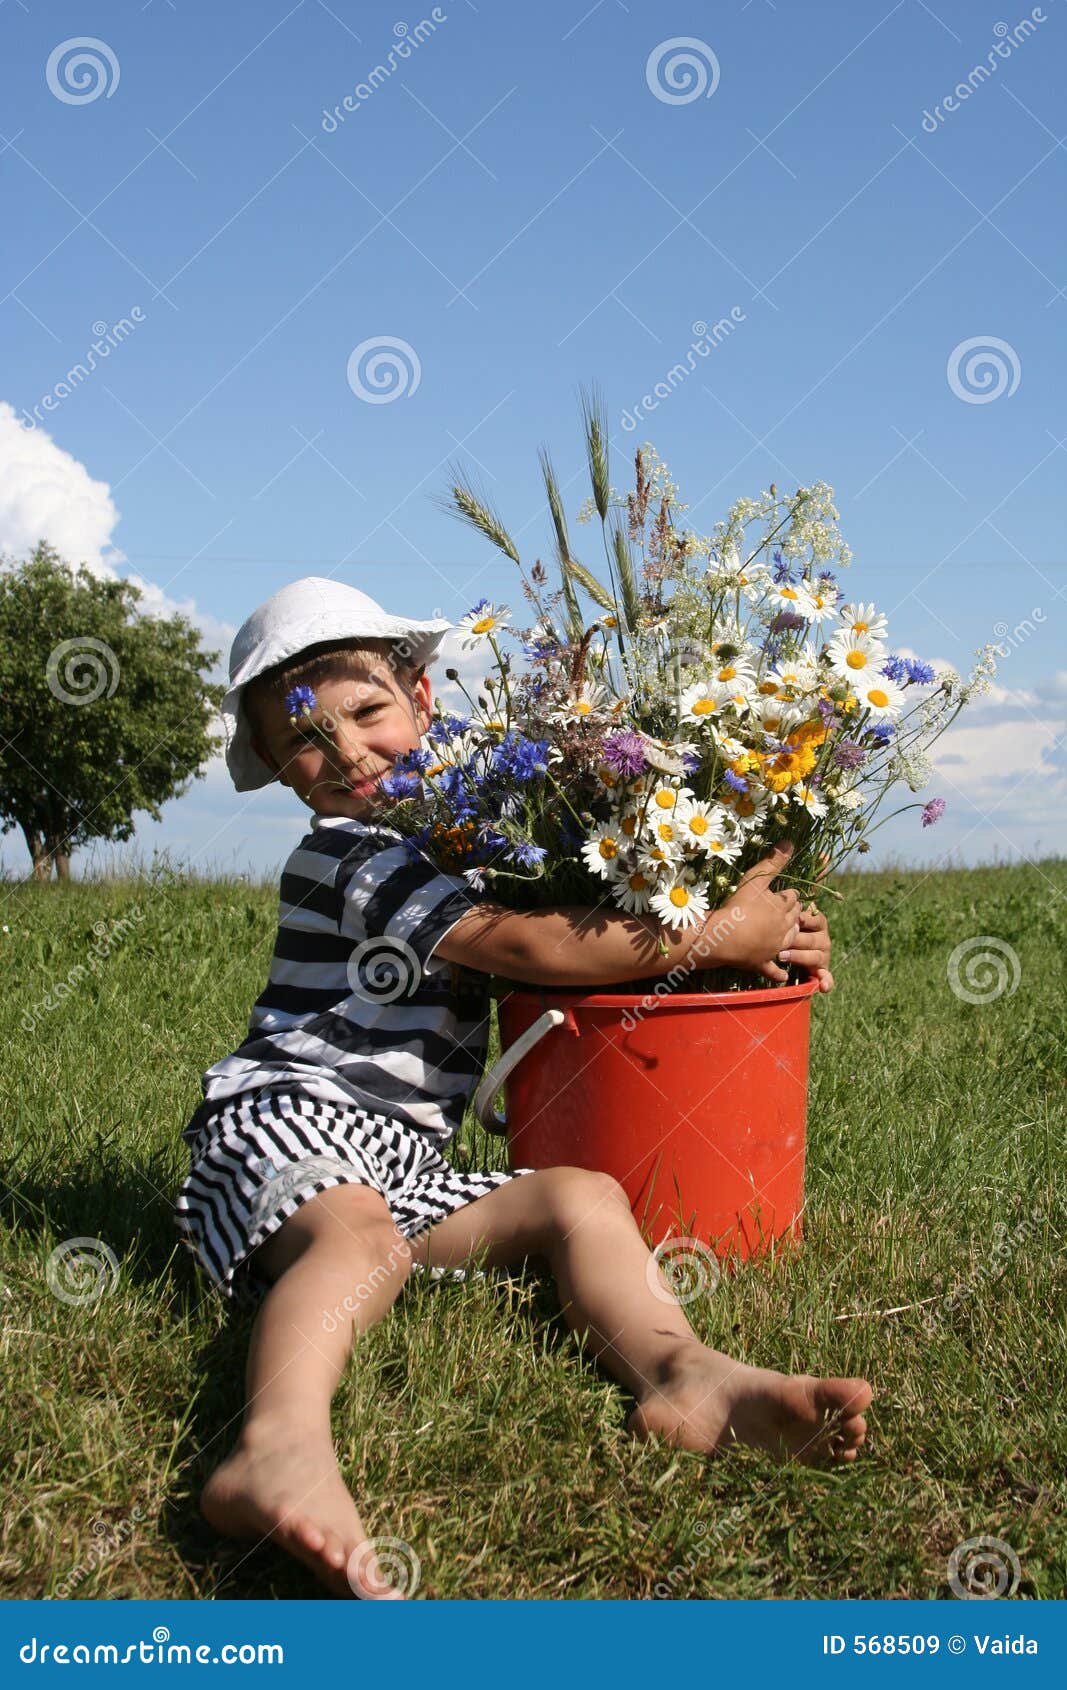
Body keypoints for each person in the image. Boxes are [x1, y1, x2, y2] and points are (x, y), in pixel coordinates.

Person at [174, 576, 870, 1600]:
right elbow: (521, 944)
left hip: (399, 1155)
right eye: (309, 740)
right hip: (284, 1121)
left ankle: (682, 1373)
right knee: (357, 1239)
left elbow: (590, 924)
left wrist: (766, 929)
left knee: (579, 1196)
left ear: (421, 698)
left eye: (367, 712)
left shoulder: (479, 845)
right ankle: (274, 1446)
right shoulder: (347, 852)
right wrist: (715, 931)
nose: (352, 753)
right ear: (284, 773)